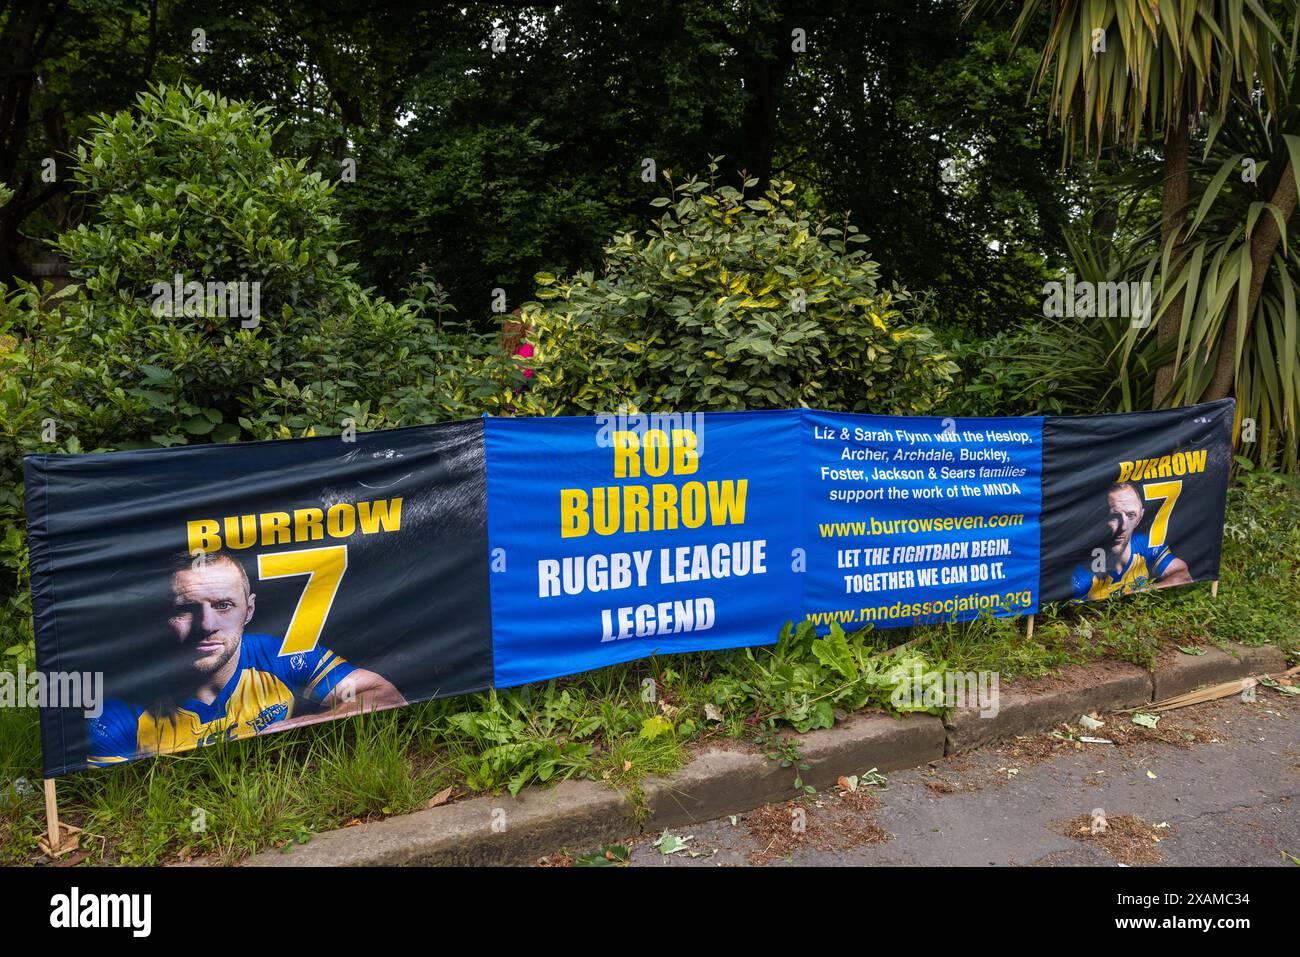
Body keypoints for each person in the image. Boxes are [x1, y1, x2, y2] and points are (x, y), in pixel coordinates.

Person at [88, 551, 405, 766]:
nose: (207, 625)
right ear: (161, 616)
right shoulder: (118, 707)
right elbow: (117, 804)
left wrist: (302, 724)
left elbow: (385, 694)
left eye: (223, 605)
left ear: (248, 611)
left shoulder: (279, 655)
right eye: (185, 609)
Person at [1071, 481, 1191, 601]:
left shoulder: (1145, 544)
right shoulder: (1082, 566)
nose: (1122, 526)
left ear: (1140, 517)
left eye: (1131, 515)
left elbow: (1182, 576)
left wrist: (1142, 592)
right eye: (1114, 516)